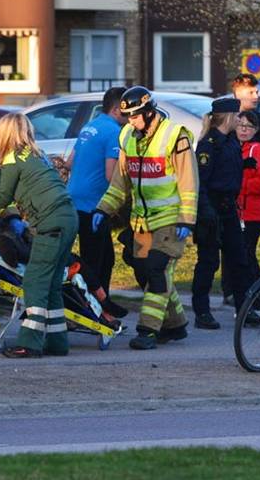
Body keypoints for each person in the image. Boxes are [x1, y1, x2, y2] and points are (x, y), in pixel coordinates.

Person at [92, 86, 198, 349]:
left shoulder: (175, 136)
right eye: (128, 117)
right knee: (146, 273)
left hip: (171, 219)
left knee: (157, 271)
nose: (132, 121)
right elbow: (119, 183)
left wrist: (186, 219)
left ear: (150, 112)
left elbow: (188, 182)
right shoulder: (127, 135)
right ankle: (176, 325)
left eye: (137, 116)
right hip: (142, 222)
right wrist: (103, 208)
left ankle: (148, 331)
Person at [0, 113, 78, 358]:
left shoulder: (12, 157)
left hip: (49, 223)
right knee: (51, 283)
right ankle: (57, 342)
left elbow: (2, 198)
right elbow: (0, 177)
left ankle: (29, 342)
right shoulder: (34, 155)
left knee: (34, 281)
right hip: (68, 218)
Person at [190, 98, 255, 329]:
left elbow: (227, 171)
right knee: (208, 263)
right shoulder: (209, 144)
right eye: (237, 116)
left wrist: (246, 165)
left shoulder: (230, 141)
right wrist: (206, 212)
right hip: (211, 210)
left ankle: (244, 308)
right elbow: (203, 182)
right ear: (227, 116)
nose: (240, 119)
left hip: (228, 209)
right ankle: (202, 311)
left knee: (239, 260)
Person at [66, 87, 129, 321]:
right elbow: (110, 174)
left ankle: (100, 308)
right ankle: (95, 312)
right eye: (127, 109)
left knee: (104, 259)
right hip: (94, 206)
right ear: (116, 109)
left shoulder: (90, 126)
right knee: (95, 263)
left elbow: (70, 163)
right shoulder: (114, 132)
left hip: (75, 200)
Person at [236, 110, 260, 282]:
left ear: (256, 130)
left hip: (253, 211)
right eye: (241, 125)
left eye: (248, 127)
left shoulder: (258, 151)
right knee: (241, 255)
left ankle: (256, 295)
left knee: (247, 254)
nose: (243, 130)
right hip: (239, 210)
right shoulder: (236, 148)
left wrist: (238, 186)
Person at [232, 73, 260, 153]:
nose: (256, 97)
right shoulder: (228, 118)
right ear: (238, 94)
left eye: (257, 92)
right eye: (251, 93)